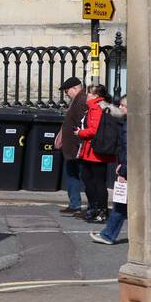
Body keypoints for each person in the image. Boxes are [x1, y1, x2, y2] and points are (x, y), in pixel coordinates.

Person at [74, 83, 116, 223]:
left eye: (90, 93)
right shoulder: (95, 106)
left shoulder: (97, 107)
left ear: (97, 96)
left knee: (97, 181)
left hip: (96, 151)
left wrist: (80, 132)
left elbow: (94, 130)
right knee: (87, 178)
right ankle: (95, 208)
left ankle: (101, 211)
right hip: (91, 150)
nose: (87, 96)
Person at [92, 95, 129, 245]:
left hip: (128, 170)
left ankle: (108, 235)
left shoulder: (129, 125)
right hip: (126, 166)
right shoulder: (127, 122)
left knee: (120, 204)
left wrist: (124, 171)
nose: (120, 108)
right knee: (123, 204)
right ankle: (108, 234)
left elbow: (129, 149)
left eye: (122, 106)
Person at [55, 76, 87, 216]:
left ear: (75, 88)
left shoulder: (81, 100)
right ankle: (74, 204)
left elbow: (83, 124)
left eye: (67, 91)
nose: (66, 94)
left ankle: (90, 207)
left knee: (84, 176)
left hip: (77, 146)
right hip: (72, 147)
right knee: (72, 174)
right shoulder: (77, 100)